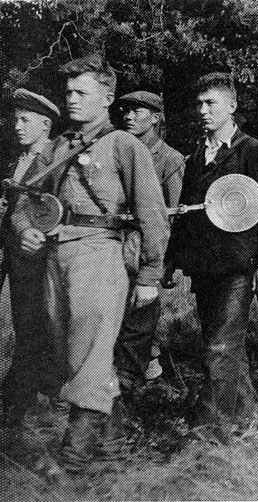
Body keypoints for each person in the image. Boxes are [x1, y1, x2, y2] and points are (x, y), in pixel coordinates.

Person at [10, 55, 169, 471]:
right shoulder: (60, 146)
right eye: (68, 92)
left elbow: (153, 214)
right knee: (72, 354)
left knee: (89, 354)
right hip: (55, 257)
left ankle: (75, 458)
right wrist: (25, 228)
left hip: (99, 254)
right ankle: (114, 445)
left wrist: (150, 274)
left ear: (107, 97)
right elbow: (27, 201)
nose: (72, 99)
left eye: (82, 92)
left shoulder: (123, 145)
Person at [167, 73, 258, 431]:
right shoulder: (197, 153)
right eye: (199, 104)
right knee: (224, 347)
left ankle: (209, 432)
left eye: (210, 103)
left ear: (232, 106)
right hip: (204, 268)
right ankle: (248, 418)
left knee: (220, 347)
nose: (203, 111)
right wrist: (171, 261)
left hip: (238, 268)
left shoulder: (252, 150)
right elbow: (186, 212)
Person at [113, 90, 185, 396]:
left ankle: (133, 384)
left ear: (155, 118)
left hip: (148, 248)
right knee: (114, 315)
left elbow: (173, 213)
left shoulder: (170, 159)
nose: (128, 116)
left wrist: (166, 261)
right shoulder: (118, 149)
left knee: (141, 319)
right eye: (126, 111)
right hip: (114, 243)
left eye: (137, 111)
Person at [0, 89, 60, 434]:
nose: (17, 126)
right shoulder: (18, 159)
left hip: (37, 257)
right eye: (15, 119)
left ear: (45, 124)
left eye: (25, 120)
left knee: (37, 326)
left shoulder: (51, 160)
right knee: (23, 325)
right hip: (13, 254)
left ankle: (29, 400)